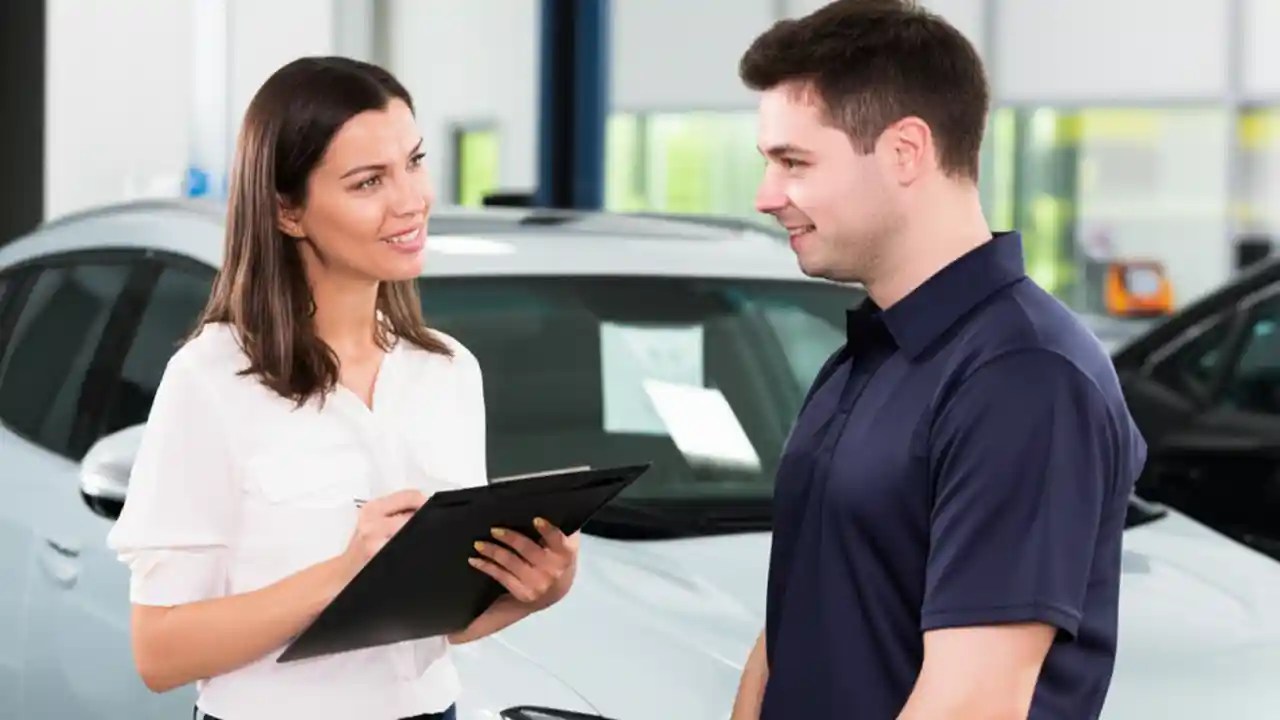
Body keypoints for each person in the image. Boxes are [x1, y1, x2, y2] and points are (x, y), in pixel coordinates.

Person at [106, 56, 580, 720]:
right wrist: (342, 573)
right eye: (368, 182)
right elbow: (160, 653)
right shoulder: (211, 380)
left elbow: (436, 627)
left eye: (414, 162)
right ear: (287, 210)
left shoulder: (447, 372)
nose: (410, 200)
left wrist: (535, 590)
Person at [728, 2, 1148, 719]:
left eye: (793, 162)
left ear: (905, 151)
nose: (767, 197)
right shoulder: (868, 358)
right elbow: (789, 633)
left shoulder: (1024, 378)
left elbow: (973, 702)